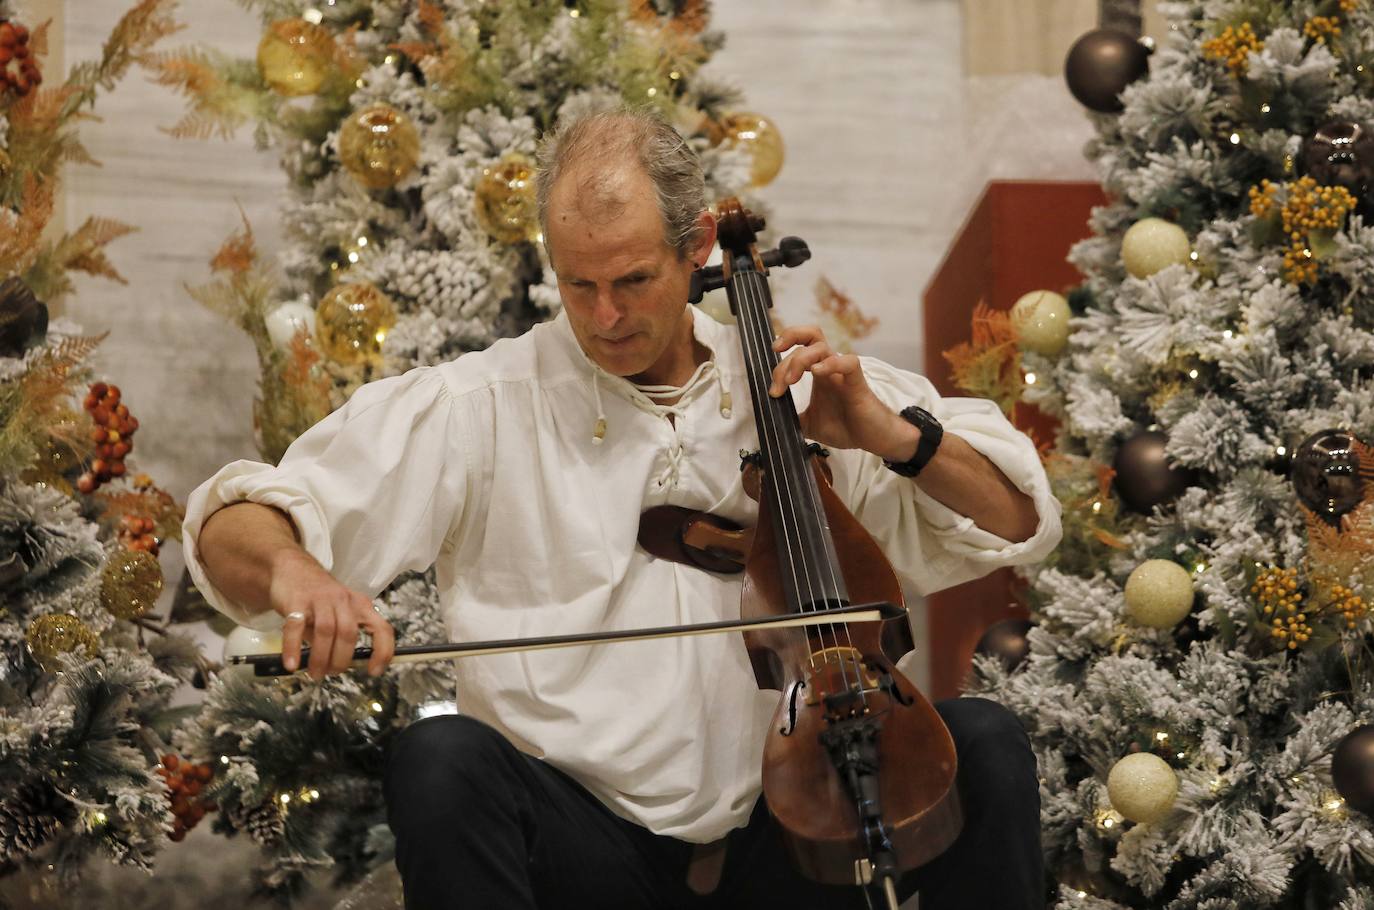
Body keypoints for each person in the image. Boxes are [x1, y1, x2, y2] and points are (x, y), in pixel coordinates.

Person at [184, 108, 1062, 910]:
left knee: (984, 743)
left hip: (795, 831)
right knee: (441, 759)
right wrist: (296, 573)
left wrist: (890, 435)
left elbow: (1018, 518)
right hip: (580, 853)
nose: (605, 317)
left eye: (634, 280)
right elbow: (236, 522)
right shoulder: (480, 404)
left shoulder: (800, 389)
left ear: (698, 246)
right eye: (579, 285)